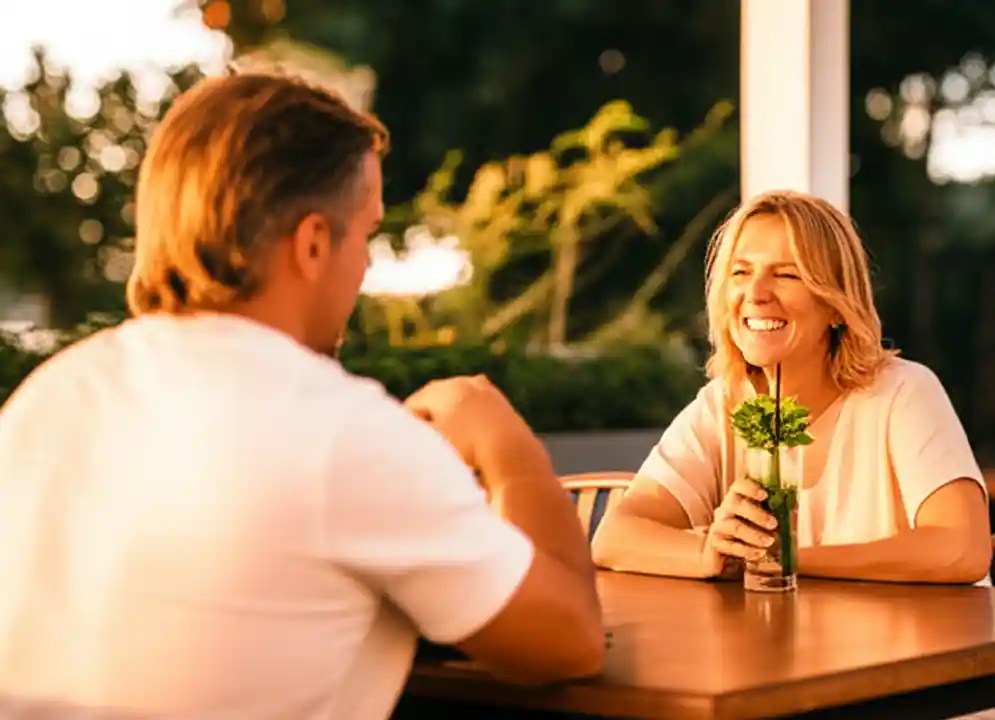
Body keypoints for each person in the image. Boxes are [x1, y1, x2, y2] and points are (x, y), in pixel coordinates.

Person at [0, 73, 603, 719]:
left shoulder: (50, 397)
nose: (367, 267)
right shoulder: (340, 432)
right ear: (314, 242)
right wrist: (503, 440)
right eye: (365, 233)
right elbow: (569, 643)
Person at [591, 190, 992, 584]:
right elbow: (614, 537)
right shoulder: (722, 404)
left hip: (923, 647)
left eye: (786, 274)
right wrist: (708, 553)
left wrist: (791, 557)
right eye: (741, 272)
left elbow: (961, 549)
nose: (756, 294)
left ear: (837, 305)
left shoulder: (903, 392)